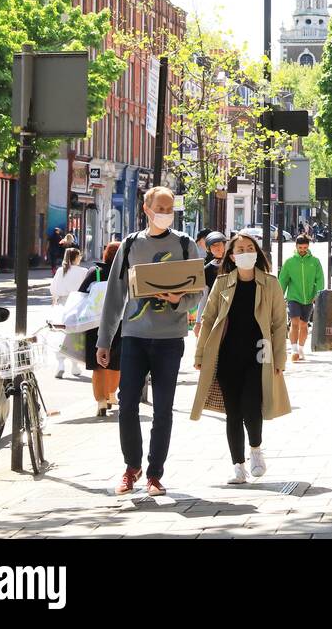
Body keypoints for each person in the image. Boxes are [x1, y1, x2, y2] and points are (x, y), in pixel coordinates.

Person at [96, 186, 205, 497]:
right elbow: (115, 297)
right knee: (127, 402)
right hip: (134, 336)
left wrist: (178, 301)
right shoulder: (130, 245)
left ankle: (155, 473)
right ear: (146, 208)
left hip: (170, 338)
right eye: (160, 207)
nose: (166, 213)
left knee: (163, 410)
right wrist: (104, 341)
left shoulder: (184, 244)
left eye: (170, 208)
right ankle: (132, 467)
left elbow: (197, 292)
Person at [192, 234, 290, 484]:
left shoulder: (270, 283)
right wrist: (200, 354)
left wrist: (280, 359)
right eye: (240, 249)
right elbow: (208, 319)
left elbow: (279, 324)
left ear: (257, 253)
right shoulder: (222, 282)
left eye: (250, 248)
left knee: (251, 406)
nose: (246, 252)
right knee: (233, 413)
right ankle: (238, 466)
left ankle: (256, 450)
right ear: (232, 256)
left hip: (259, 354)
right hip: (226, 356)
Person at [80, 241, 121, 417]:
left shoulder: (95, 272)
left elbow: (81, 294)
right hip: (118, 323)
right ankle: (112, 394)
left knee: (98, 365)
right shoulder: (123, 272)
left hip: (94, 324)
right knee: (116, 362)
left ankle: (101, 401)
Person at [278, 234, 324, 362]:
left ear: (308, 247)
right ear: (296, 246)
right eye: (300, 247)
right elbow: (283, 280)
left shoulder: (315, 262)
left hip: (309, 298)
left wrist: (318, 294)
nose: (302, 250)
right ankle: (293, 350)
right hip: (294, 297)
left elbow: (320, 279)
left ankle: (301, 348)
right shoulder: (290, 262)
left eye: (305, 247)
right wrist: (279, 296)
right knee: (295, 323)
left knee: (304, 325)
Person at [50, 247, 88, 379]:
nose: (81, 258)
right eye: (79, 256)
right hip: (77, 305)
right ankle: (75, 365)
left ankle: (60, 364)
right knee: (75, 335)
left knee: (59, 335)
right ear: (76, 257)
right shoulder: (83, 271)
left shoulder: (61, 271)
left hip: (61, 305)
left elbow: (53, 289)